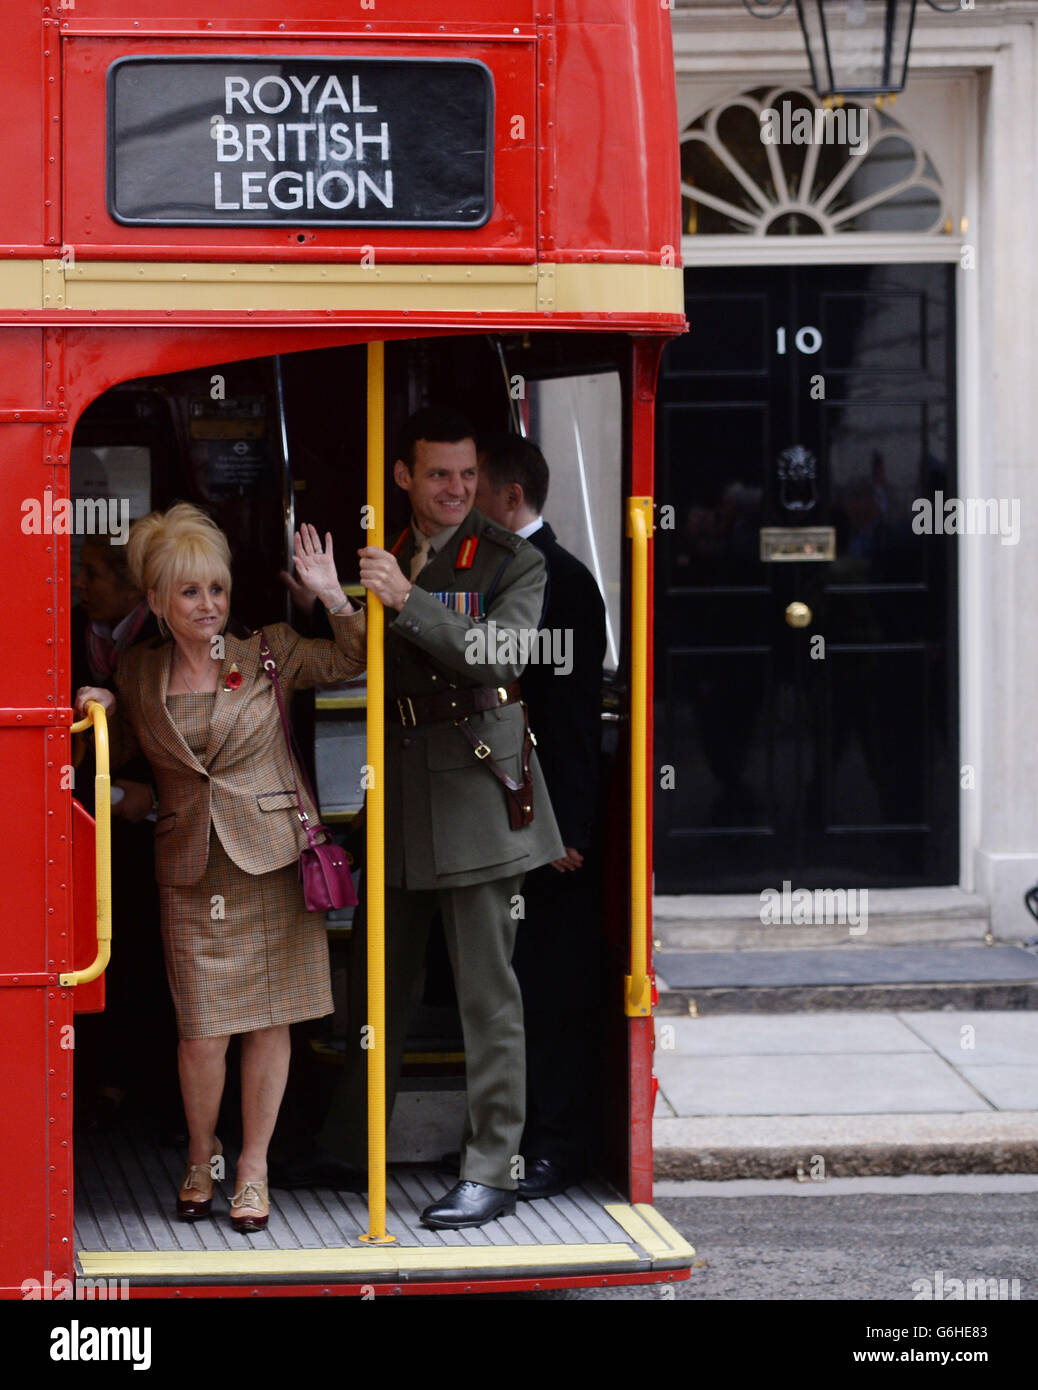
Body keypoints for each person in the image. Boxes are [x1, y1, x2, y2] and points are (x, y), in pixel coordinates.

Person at [74, 504, 366, 1233]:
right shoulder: (138, 676)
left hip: (272, 865)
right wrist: (97, 721)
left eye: (217, 590)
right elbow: (137, 786)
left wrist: (333, 596)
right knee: (202, 1032)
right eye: (190, 593)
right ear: (156, 602)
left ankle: (253, 1167)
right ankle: (201, 1154)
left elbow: (356, 659)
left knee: (270, 1025)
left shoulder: (268, 651)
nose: (208, 606)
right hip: (190, 870)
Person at [313, 406, 565, 1230]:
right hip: (399, 790)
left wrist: (407, 598)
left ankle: (493, 1166)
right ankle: (352, 1146)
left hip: (480, 794)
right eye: (438, 475)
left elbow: (500, 654)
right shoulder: (387, 548)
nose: (456, 489)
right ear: (405, 478)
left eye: (466, 474)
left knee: (488, 996)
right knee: (377, 988)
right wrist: (338, 602)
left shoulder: (513, 560)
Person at [476, 433, 607, 1199]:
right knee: (514, 984)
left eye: (476, 487)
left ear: (511, 498)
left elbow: (567, 722)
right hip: (508, 816)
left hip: (546, 825)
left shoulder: (559, 579)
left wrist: (566, 829)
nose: (466, 504)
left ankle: (555, 1145)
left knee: (549, 987)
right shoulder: (505, 572)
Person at [71, 535, 179, 1137]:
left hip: (158, 825)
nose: (81, 585)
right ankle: (105, 1080)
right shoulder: (77, 635)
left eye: (94, 575)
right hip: (93, 822)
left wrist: (150, 798)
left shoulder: (162, 645)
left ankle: (141, 1091)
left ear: (137, 589)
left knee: (145, 957)